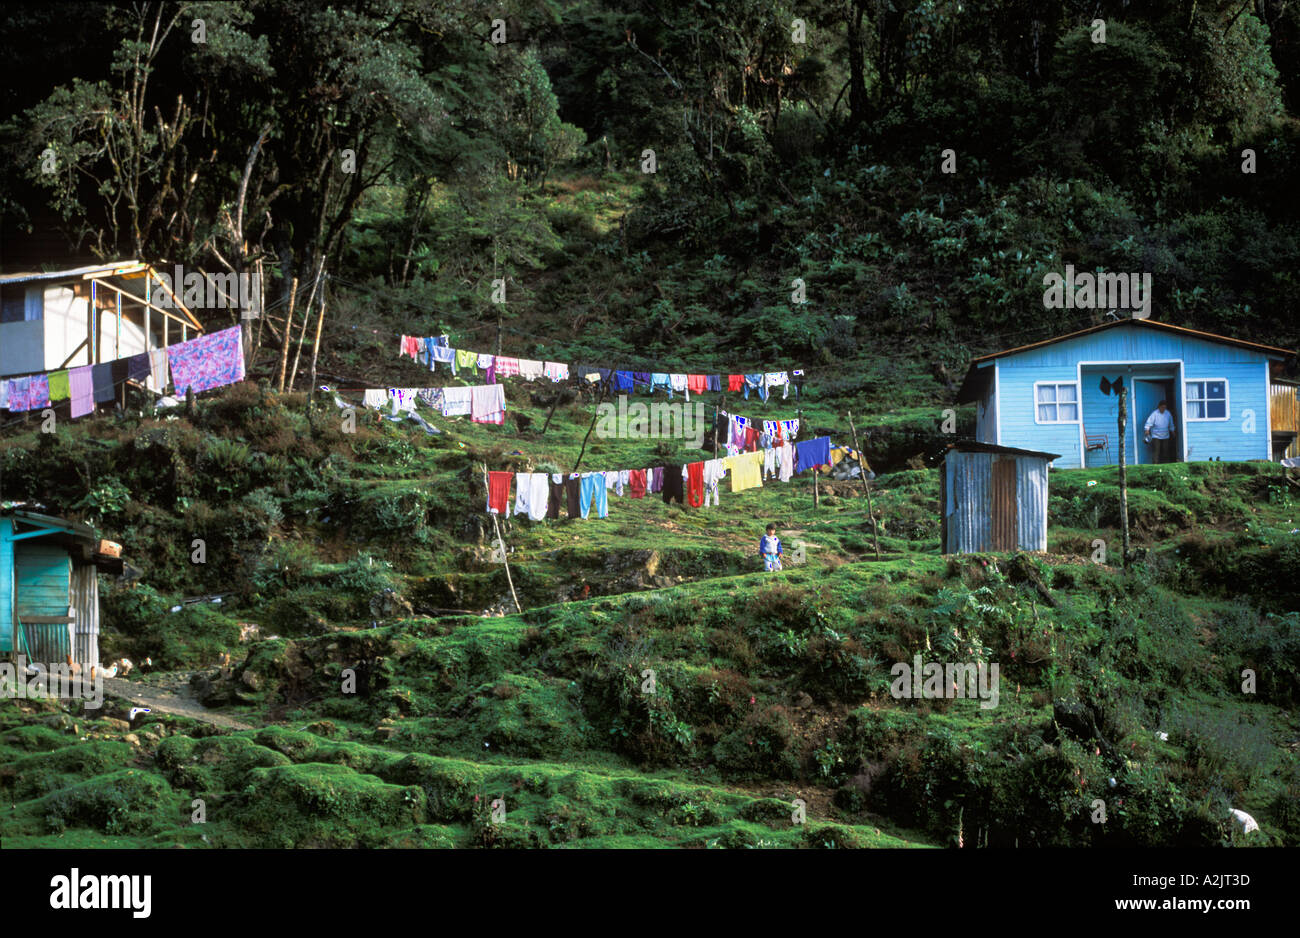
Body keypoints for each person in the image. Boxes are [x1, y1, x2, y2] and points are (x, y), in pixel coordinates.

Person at [1143, 399, 1177, 464]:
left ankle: (1166, 464)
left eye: (1164, 407)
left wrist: (1173, 432)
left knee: (1165, 450)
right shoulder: (1154, 414)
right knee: (1156, 450)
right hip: (1156, 435)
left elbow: (1171, 424)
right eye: (1162, 407)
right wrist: (1147, 429)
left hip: (1165, 435)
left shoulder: (1168, 414)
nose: (1163, 409)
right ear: (1159, 407)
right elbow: (1149, 422)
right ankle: (1155, 464)